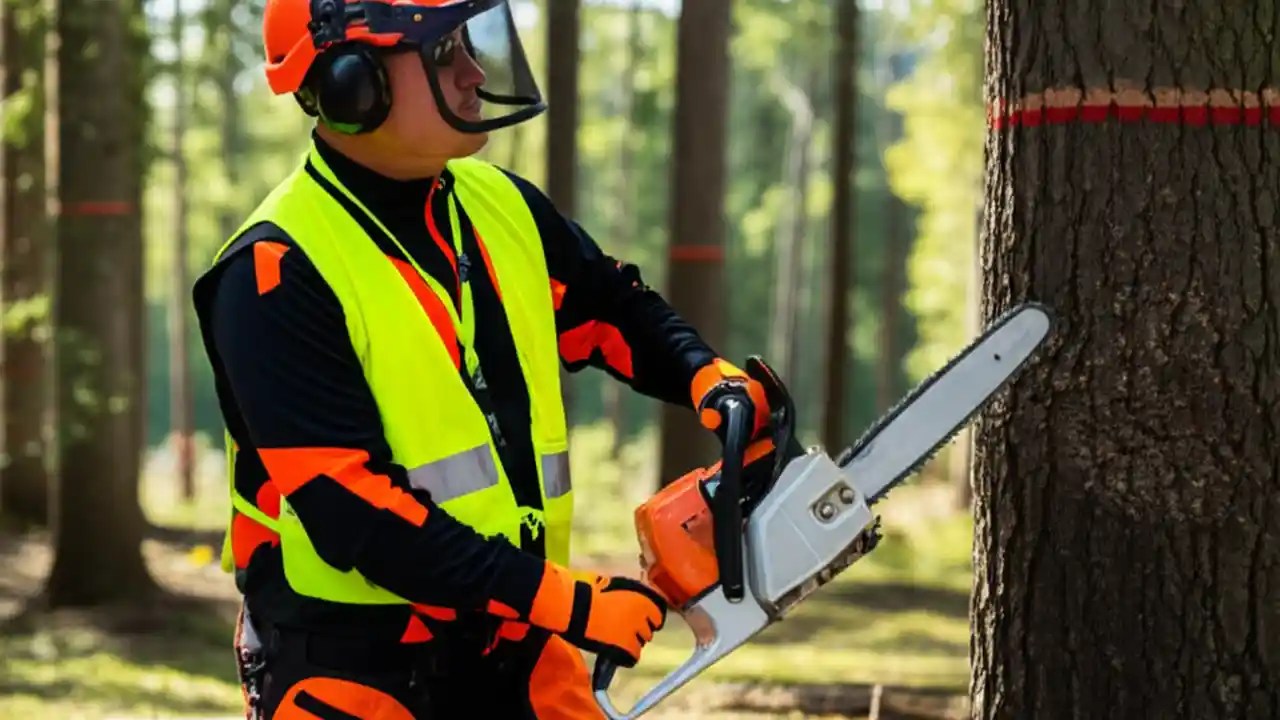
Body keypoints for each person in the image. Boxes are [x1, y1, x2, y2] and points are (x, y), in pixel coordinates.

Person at [191, 0, 774, 717]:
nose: (473, 72)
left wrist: (703, 375)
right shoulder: (273, 274)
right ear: (353, 86)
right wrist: (564, 599)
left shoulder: (499, 205)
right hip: (360, 673)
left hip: (513, 638)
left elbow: (610, 308)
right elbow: (355, 513)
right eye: (443, 54)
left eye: (469, 44)